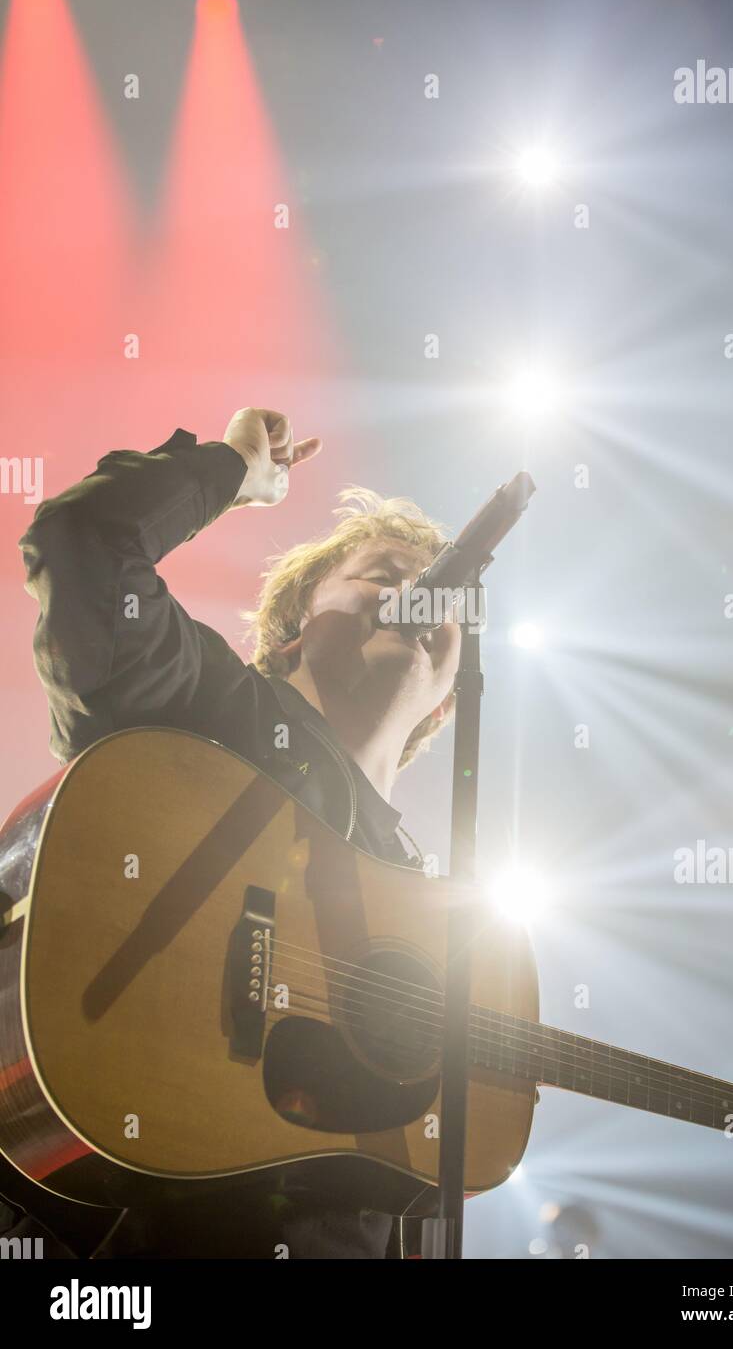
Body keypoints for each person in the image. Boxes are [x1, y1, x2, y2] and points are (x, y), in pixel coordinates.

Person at [9, 406, 462, 1258]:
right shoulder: (205, 707)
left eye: (443, 598)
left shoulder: (435, 918)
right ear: (292, 635)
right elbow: (82, 542)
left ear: (444, 698)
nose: (423, 598)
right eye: (384, 577)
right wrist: (230, 467)